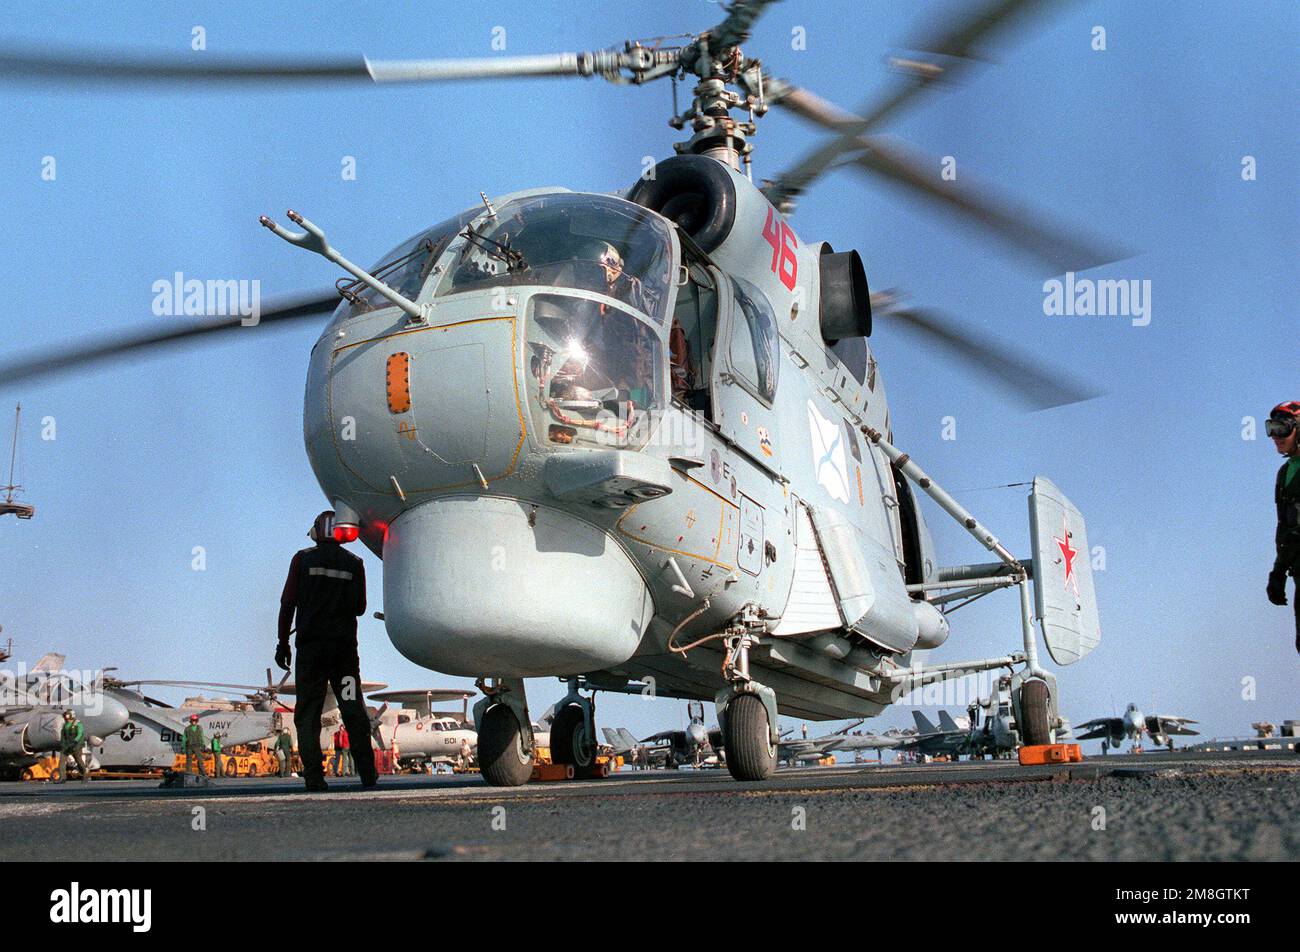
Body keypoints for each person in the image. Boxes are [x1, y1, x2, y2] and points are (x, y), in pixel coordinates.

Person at [276, 510, 377, 792]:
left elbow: (287, 604)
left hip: (311, 654)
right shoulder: (355, 563)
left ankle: (314, 778)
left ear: (319, 531)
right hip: (343, 655)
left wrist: (282, 643)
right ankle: (368, 774)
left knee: (308, 712)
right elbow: (360, 608)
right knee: (352, 709)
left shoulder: (302, 559)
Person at [1267, 400, 1300, 655]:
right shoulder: (1284, 473)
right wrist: (1279, 572)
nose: (1275, 437)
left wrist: (1278, 572)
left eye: (1282, 429)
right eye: (1271, 429)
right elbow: (1286, 529)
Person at [56, 710, 90, 783]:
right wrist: (63, 744)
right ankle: (62, 778)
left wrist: (75, 741)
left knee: (78, 760)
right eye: (65, 715)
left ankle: (84, 774)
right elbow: (63, 735)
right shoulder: (65, 724)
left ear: (72, 715)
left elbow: (80, 733)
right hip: (67, 746)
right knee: (62, 761)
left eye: (68, 714)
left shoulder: (78, 724)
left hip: (76, 745)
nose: (66, 716)